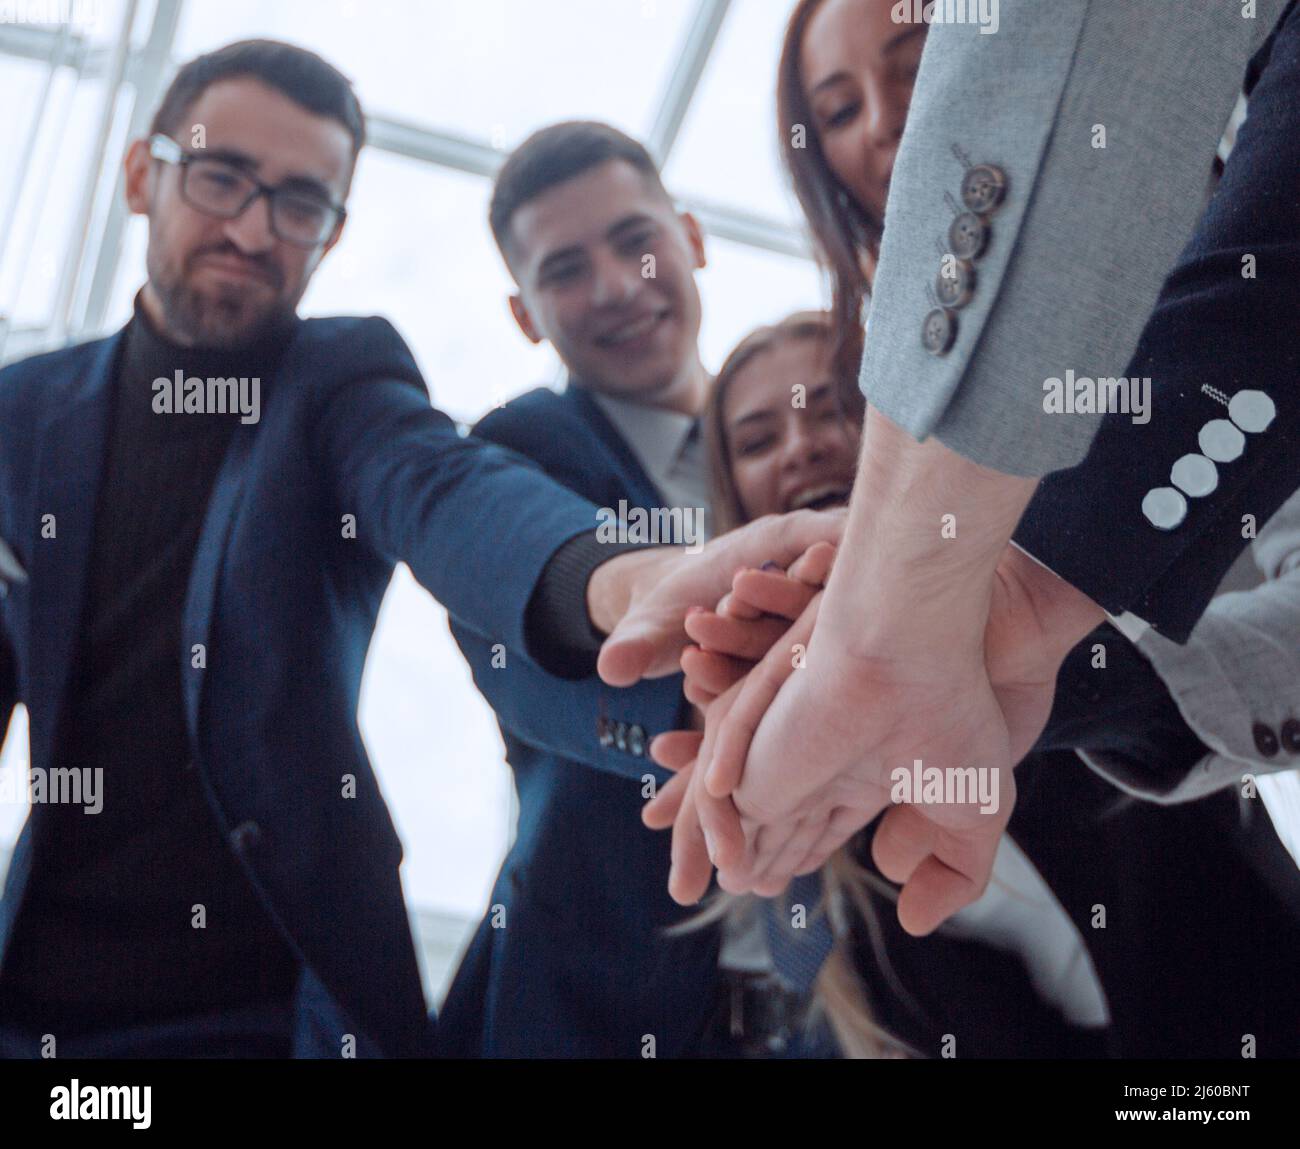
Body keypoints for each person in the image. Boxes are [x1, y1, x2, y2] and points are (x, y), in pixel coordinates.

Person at [0, 39, 841, 1059]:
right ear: (144, 175)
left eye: (301, 202)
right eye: (222, 177)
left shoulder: (335, 383)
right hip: (43, 991)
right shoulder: (21, 417)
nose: (253, 228)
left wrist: (620, 582)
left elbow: (445, 494)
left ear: (332, 232)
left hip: (275, 1003)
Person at [612, 0, 1300, 934]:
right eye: (840, 108)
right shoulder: (911, 435)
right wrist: (978, 610)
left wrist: (912, 611)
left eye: (915, 61)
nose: (890, 117)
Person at [657, 307, 1300, 1057]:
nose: (803, 445)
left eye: (840, 405)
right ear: (734, 496)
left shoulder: (1077, 573)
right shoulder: (809, 850)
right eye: (759, 439)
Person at [434, 121, 724, 1058]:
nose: (613, 287)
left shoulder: (822, 431)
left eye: (637, 241)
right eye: (564, 269)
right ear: (526, 314)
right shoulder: (518, 467)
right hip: (596, 1007)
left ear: (691, 238)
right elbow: (554, 680)